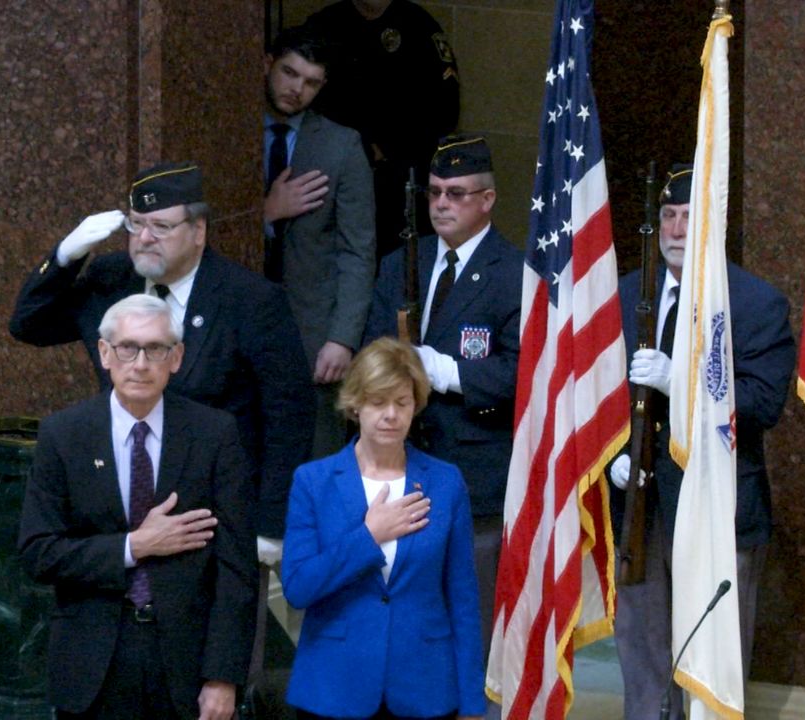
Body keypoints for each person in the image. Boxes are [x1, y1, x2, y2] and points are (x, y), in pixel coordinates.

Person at [9, 161, 315, 556]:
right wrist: (65, 257)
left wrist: (271, 526)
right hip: (120, 510)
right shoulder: (111, 280)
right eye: (136, 224)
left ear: (198, 231)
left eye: (162, 227)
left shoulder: (250, 300)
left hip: (212, 516)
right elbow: (28, 325)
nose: (145, 238)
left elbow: (289, 415)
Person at [608, 165, 796, 719]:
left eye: (689, 216)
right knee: (641, 653)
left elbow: (764, 403)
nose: (676, 229)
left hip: (718, 504)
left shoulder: (754, 302)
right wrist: (614, 455)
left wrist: (684, 387)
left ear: (712, 224)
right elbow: (594, 395)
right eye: (668, 216)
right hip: (640, 508)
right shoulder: (621, 296)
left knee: (712, 657)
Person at [19, 294, 258, 720]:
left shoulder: (214, 434)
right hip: (93, 663)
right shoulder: (64, 435)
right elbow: (38, 552)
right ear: (105, 353)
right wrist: (134, 546)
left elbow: (236, 567)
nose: (141, 363)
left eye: (156, 349)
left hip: (186, 665)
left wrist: (223, 676)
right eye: (128, 348)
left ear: (177, 357)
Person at [363, 134, 522, 657]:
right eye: (434, 193)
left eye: (456, 193)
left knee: (471, 623)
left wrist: (450, 372)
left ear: (487, 199)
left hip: (475, 470)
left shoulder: (515, 274)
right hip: (400, 469)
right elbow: (372, 351)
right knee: (404, 618)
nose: (441, 205)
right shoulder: (400, 263)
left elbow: (524, 371)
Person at [281, 337, 485, 720]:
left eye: (402, 403)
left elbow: (462, 600)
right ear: (355, 404)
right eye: (378, 402)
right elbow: (298, 587)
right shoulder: (314, 481)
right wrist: (368, 537)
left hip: (425, 688)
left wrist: (473, 701)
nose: (391, 414)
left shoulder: (445, 482)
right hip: (334, 688)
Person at [263, 25, 377, 459]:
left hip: (312, 334)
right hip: (235, 323)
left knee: (314, 459)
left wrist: (343, 338)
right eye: (289, 73)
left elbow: (357, 250)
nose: (296, 89)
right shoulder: (226, 127)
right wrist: (267, 213)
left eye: (310, 82)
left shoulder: (341, 146)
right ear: (266, 64)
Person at [304, 0, 460, 258]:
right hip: (336, 175)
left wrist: (389, 148)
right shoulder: (325, 25)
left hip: (401, 178)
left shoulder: (418, 24)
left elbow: (444, 107)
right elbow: (310, 105)